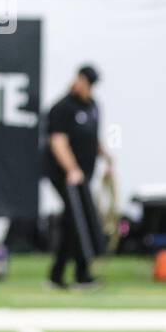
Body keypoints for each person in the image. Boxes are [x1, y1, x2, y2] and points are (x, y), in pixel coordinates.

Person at [43, 64, 110, 289]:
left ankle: (57, 275)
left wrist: (107, 158)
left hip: (84, 176)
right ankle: (82, 274)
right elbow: (58, 142)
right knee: (78, 220)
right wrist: (71, 169)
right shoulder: (63, 107)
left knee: (72, 221)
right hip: (66, 175)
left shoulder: (93, 106)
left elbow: (92, 138)